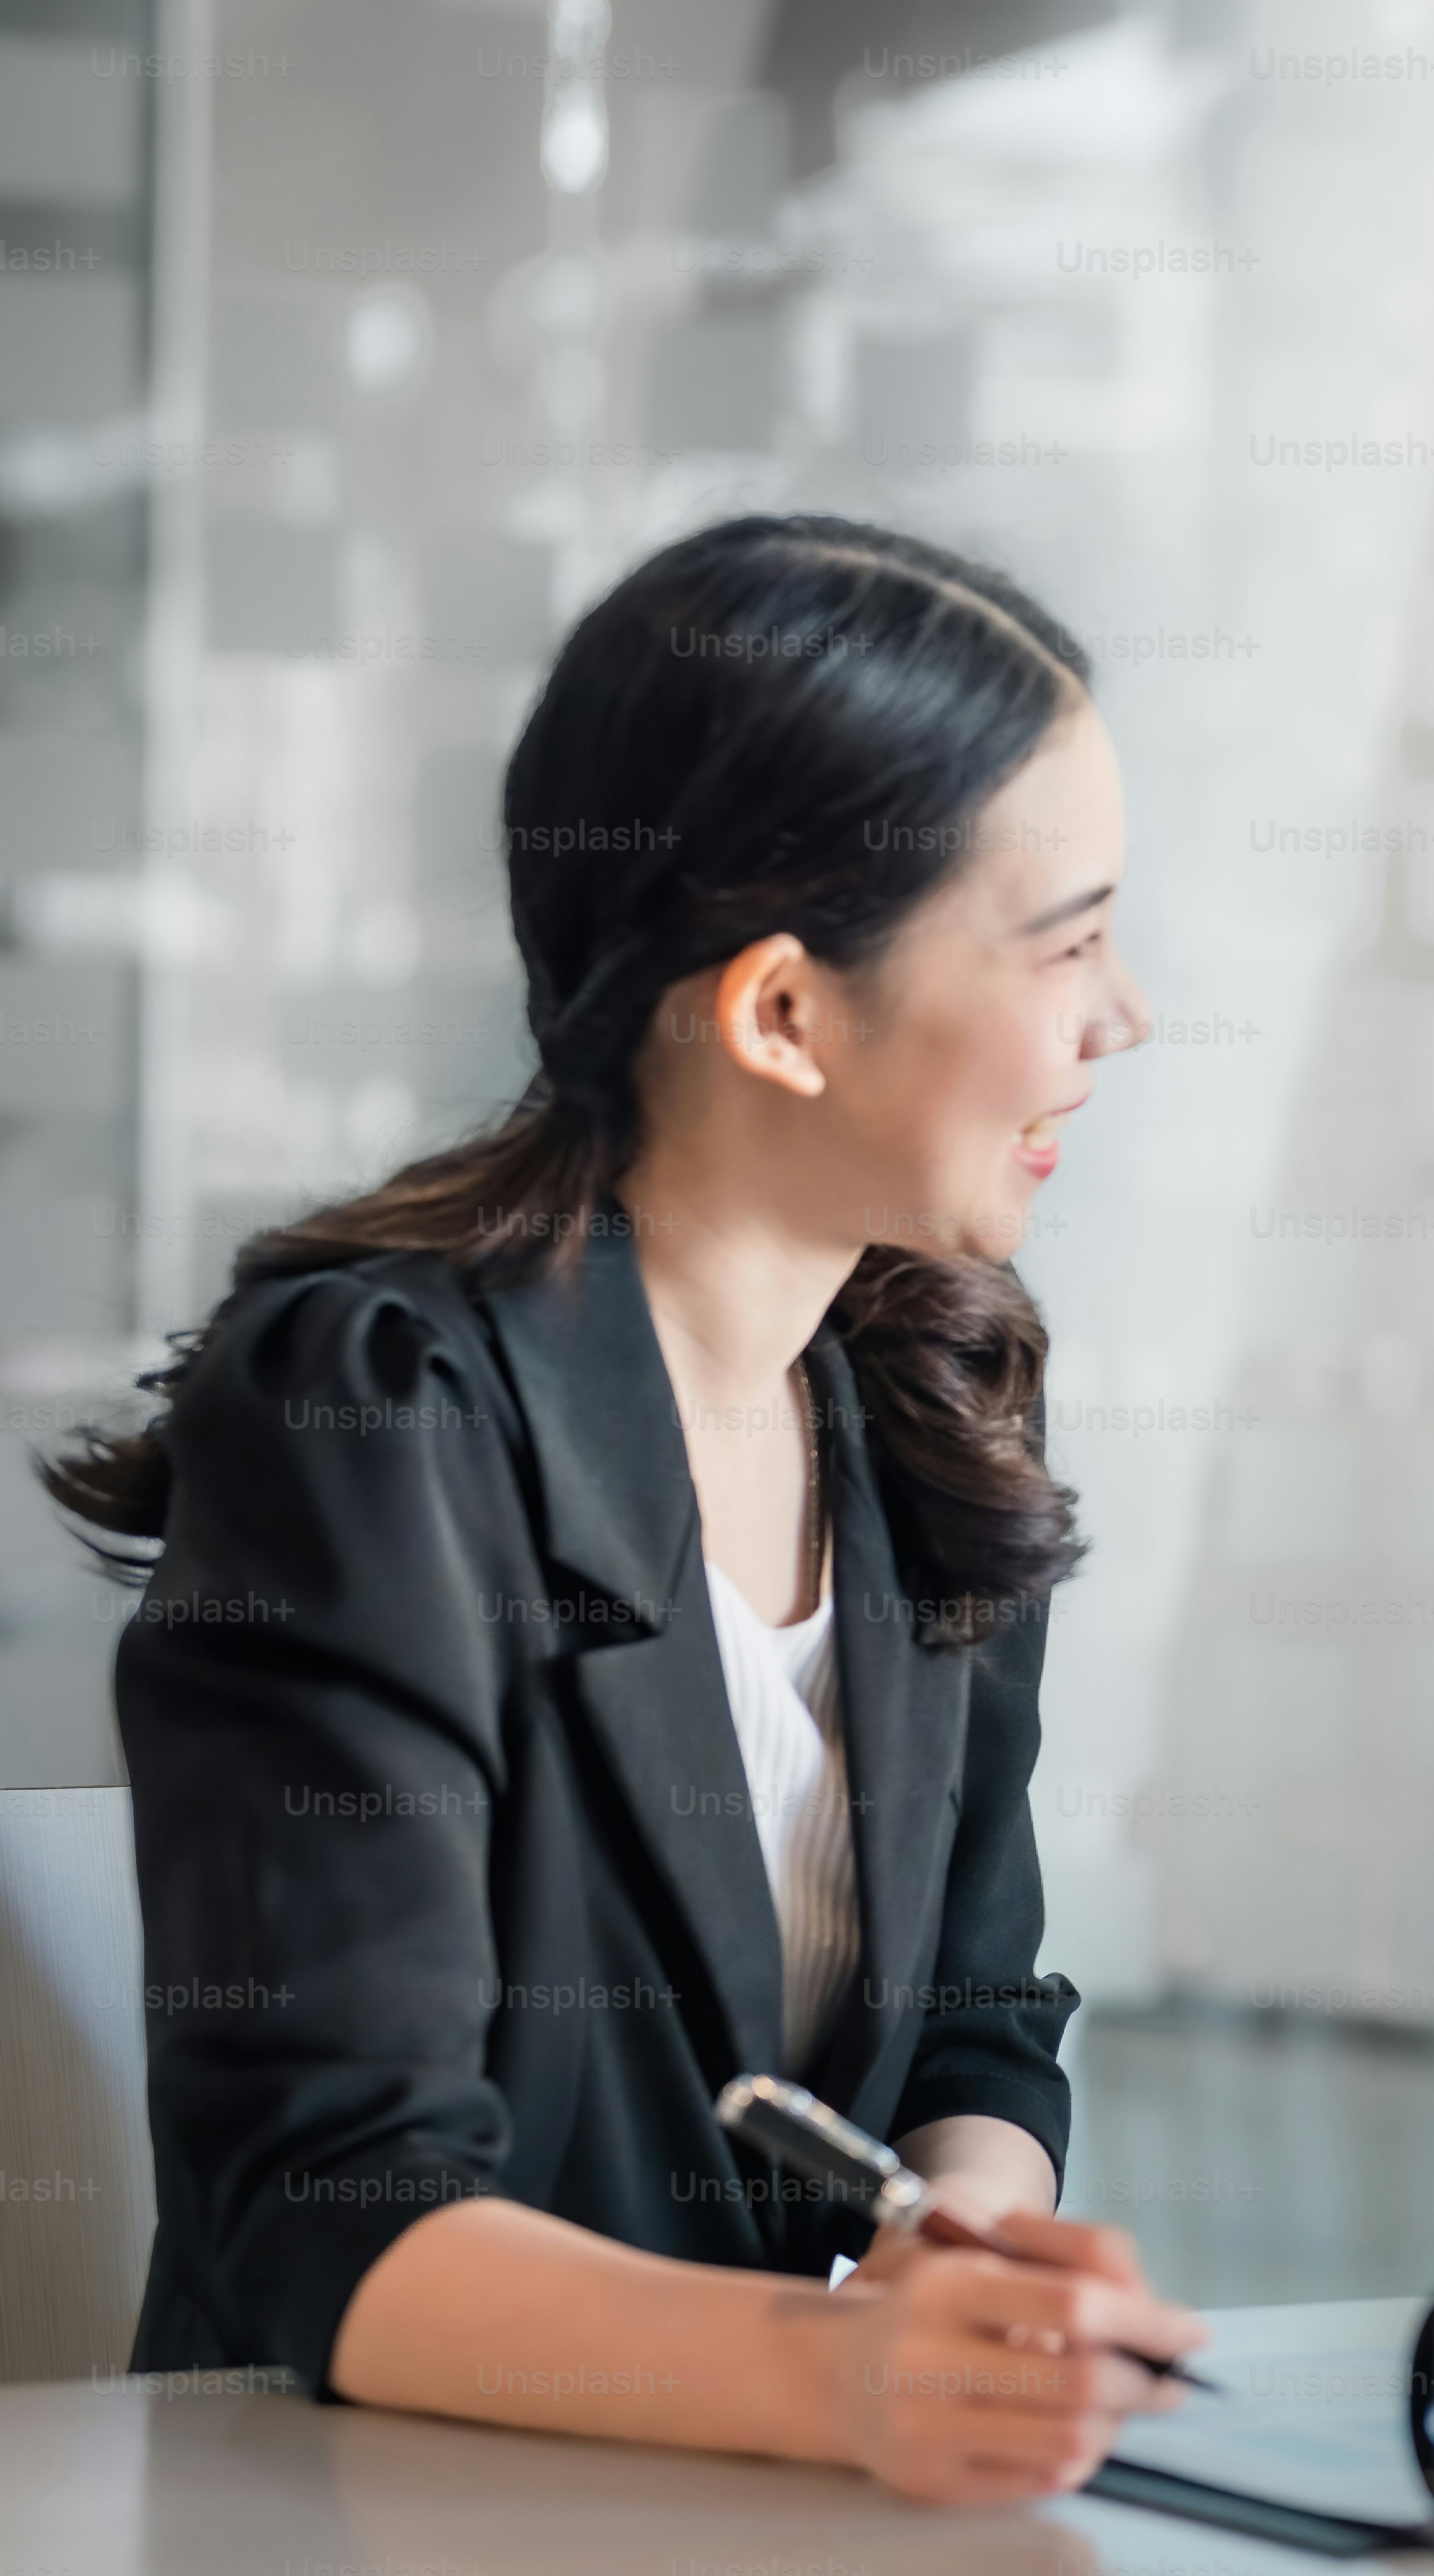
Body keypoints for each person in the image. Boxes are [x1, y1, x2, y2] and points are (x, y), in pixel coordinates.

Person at [43, 515, 1200, 2499]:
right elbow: (336, 2211)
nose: (1124, 1019)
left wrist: (972, 2239)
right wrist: (844, 2378)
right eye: (1068, 942)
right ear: (777, 1014)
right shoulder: (374, 1412)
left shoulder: (930, 1393)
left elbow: (981, 2029)